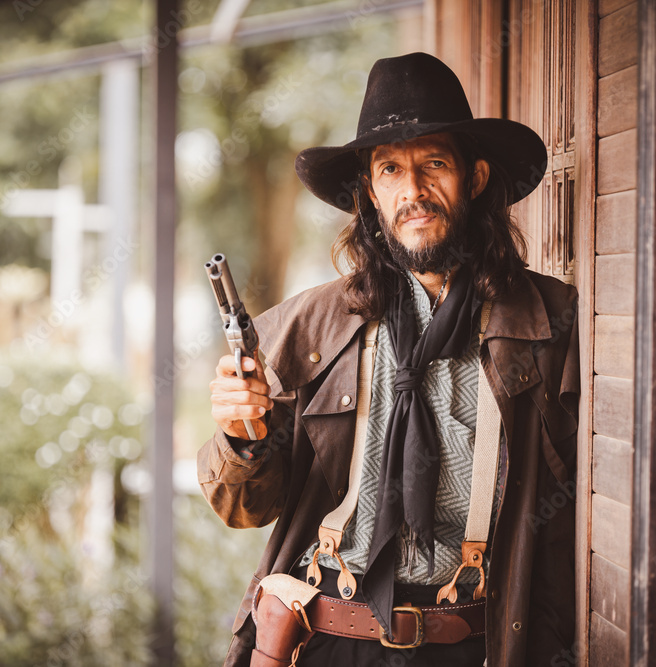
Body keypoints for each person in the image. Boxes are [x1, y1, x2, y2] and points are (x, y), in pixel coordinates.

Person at [199, 52, 579, 667]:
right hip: (327, 640)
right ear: (369, 194)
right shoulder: (305, 326)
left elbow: (566, 517)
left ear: (475, 178)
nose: (414, 191)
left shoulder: (547, 321)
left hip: (474, 645)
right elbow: (245, 507)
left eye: (434, 164)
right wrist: (241, 438)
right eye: (390, 171)